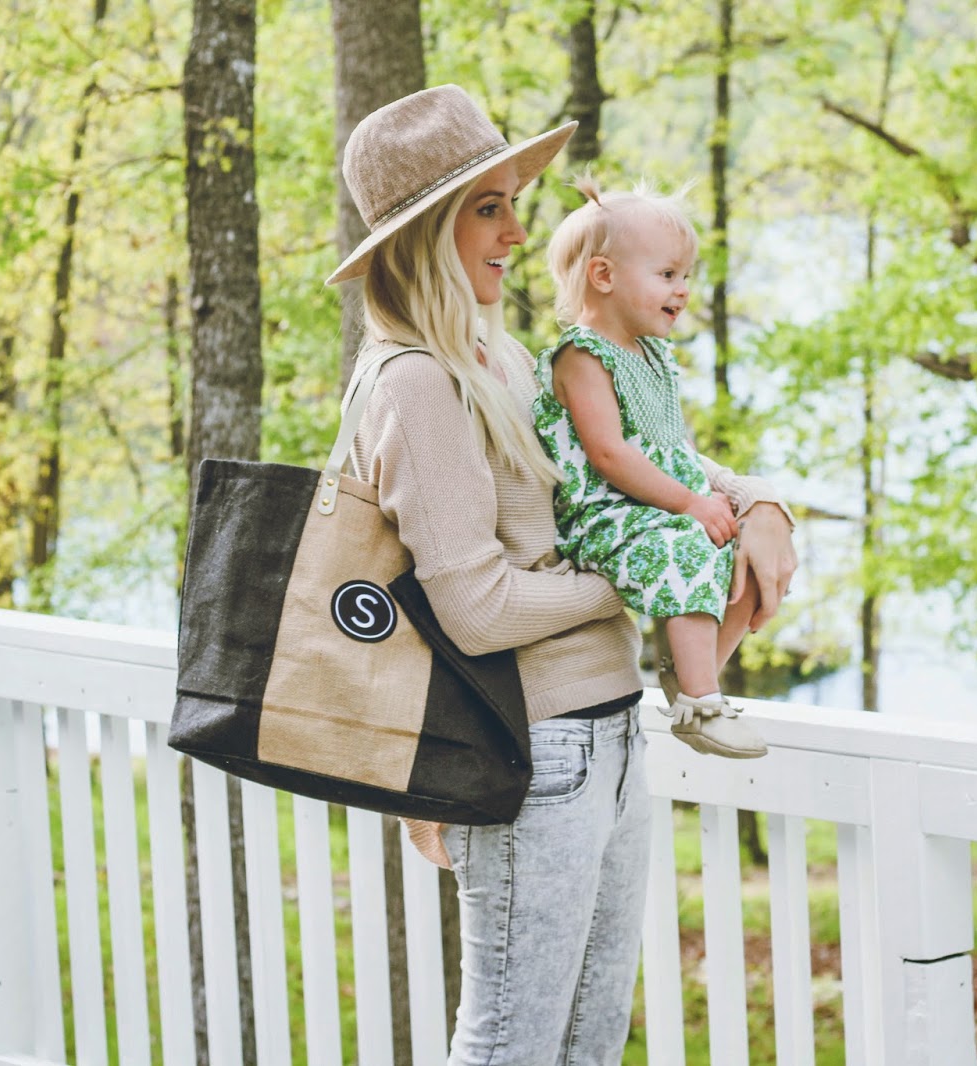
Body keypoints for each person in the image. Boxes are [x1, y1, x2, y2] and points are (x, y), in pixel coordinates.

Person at [326, 85, 796, 1066]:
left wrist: (754, 500)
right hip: (530, 757)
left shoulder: (500, 356)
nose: (517, 228)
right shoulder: (417, 380)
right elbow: (477, 606)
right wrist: (650, 575)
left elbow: (623, 455)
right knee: (511, 1047)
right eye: (488, 206)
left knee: (584, 1045)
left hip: (605, 735)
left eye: (512, 199)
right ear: (424, 232)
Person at [532, 178, 771, 759]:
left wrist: (717, 495)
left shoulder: (653, 353)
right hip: (604, 513)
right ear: (604, 276)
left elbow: (671, 445)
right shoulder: (583, 355)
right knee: (689, 543)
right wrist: (692, 504)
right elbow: (611, 455)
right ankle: (700, 704)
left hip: (652, 502)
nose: (684, 290)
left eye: (686, 276)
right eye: (667, 275)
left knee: (748, 554)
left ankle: (692, 673)